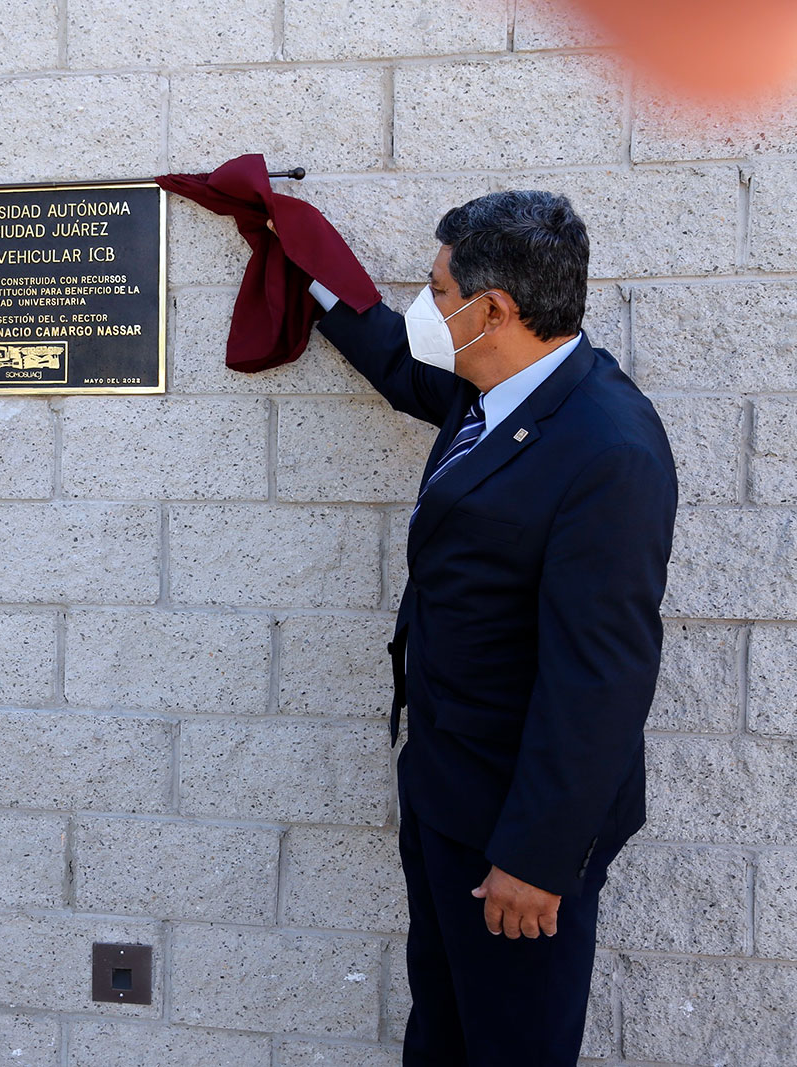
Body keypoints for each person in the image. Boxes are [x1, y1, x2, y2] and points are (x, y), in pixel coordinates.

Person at [304, 192, 677, 1065]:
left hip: (515, 831)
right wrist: (301, 265)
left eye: (435, 292)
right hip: (446, 784)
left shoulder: (606, 447)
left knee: (512, 1046)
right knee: (443, 1031)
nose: (422, 311)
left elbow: (601, 678)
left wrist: (537, 858)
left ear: (495, 310)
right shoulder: (496, 389)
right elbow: (401, 367)